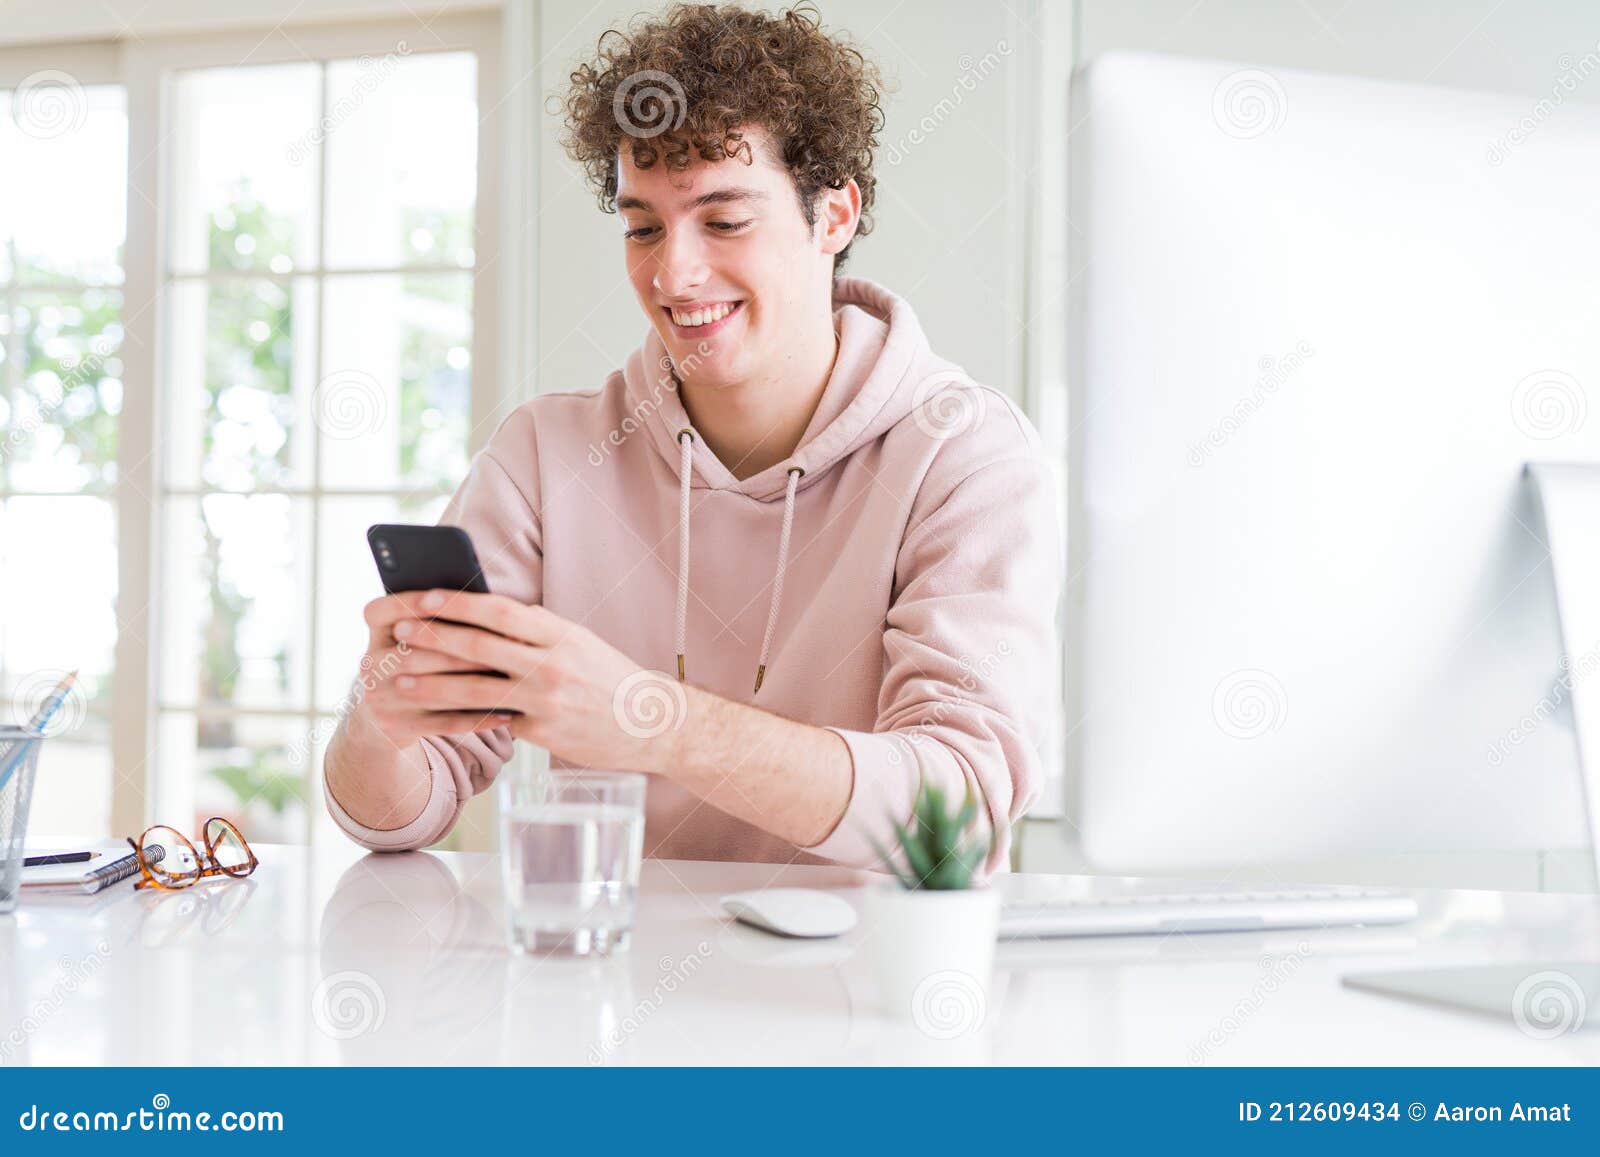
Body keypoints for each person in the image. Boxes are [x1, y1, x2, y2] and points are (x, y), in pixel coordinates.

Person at [322, 2, 1061, 873]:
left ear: (834, 216)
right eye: (643, 227)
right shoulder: (546, 455)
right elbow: (396, 818)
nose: (673, 273)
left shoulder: (962, 453)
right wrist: (382, 713)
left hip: (866, 989)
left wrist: (649, 715)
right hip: (606, 982)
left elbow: (957, 816)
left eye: (724, 220)